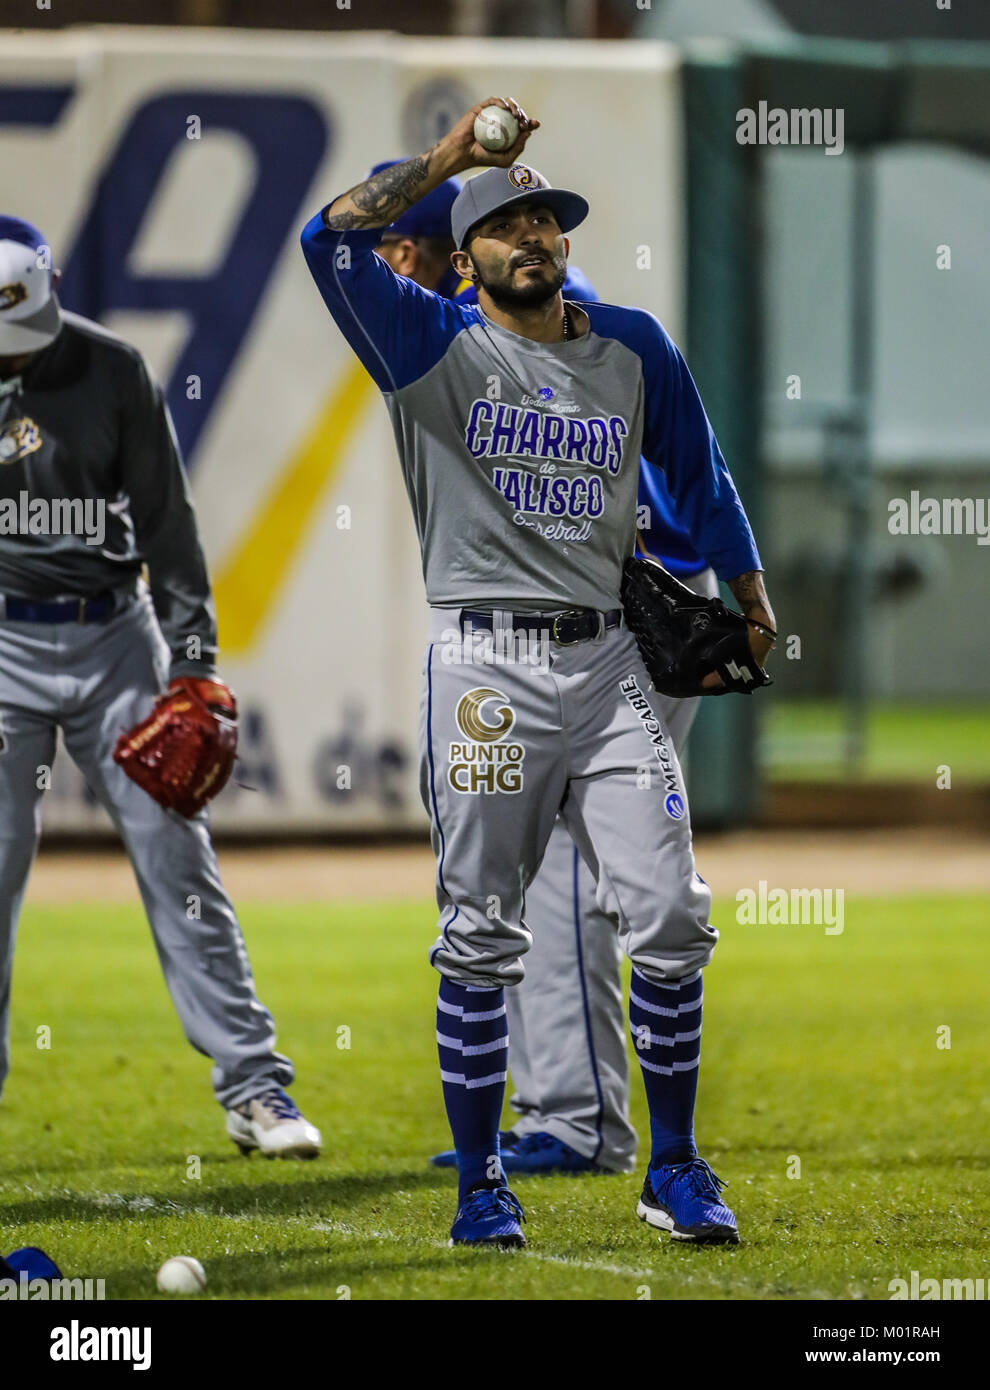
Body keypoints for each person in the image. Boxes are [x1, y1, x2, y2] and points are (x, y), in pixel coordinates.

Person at [301, 97, 775, 1247]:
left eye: (547, 222)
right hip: (485, 667)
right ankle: (480, 1190)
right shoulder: (430, 346)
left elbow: (700, 474)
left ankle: (674, 1167)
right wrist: (455, 155)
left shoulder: (634, 346)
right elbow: (331, 241)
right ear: (464, 260)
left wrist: (751, 595)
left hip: (611, 657)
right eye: (507, 224)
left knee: (668, 913)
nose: (533, 235)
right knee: (480, 931)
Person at [364, 163, 726, 1179]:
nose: (398, 262)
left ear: (451, 246)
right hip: (594, 613)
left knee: (574, 873)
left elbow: (673, 479)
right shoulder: (473, 332)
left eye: (411, 246)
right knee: (558, 878)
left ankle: (577, 1118)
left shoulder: (573, 327)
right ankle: (573, 1111)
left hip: (634, 612)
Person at [0, 216, 320, 1159]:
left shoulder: (112, 370)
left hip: (115, 645)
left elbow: (169, 528)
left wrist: (194, 664)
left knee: (182, 871)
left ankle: (255, 1090)